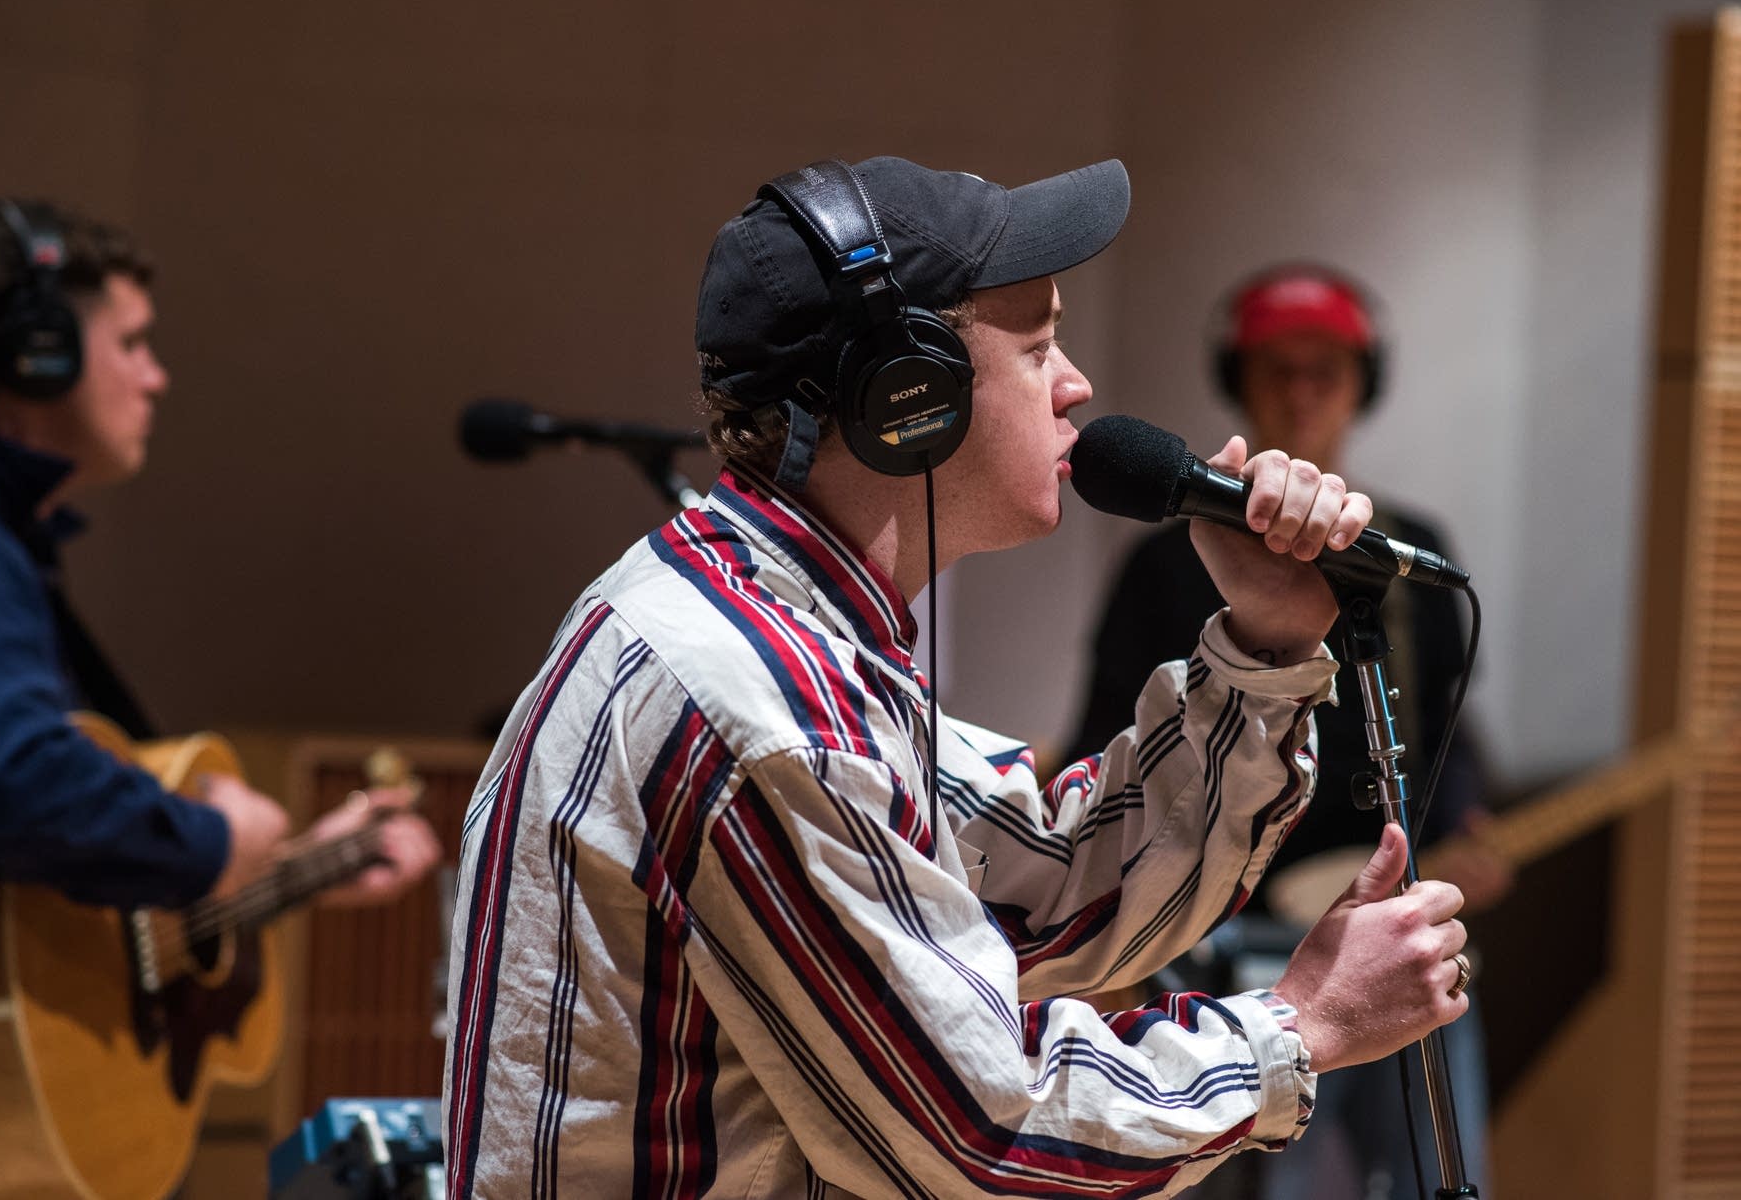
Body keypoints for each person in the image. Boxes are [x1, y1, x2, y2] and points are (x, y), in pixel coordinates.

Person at [442, 157, 1473, 1198]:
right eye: (1036, 349)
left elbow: (1055, 888)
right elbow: (980, 1133)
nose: (1076, 386)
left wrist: (1265, 646)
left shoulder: (773, 626)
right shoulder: (753, 696)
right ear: (910, 400)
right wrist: (1299, 1028)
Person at [0, 198, 442, 1200]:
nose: (156, 374)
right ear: (33, 361)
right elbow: (10, 780)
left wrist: (290, 867)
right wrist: (207, 841)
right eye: (129, 343)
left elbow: (10, 863)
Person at [1068, 263, 1510, 1199]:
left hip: (1394, 922)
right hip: (1223, 950)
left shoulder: (1403, 551)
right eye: (1279, 370)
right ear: (1241, 381)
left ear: (1362, 385)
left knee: (1441, 1164)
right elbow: (1100, 748)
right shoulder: (1168, 561)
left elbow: (1447, 734)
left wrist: (1470, 823)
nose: (1303, 393)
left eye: (1327, 371)